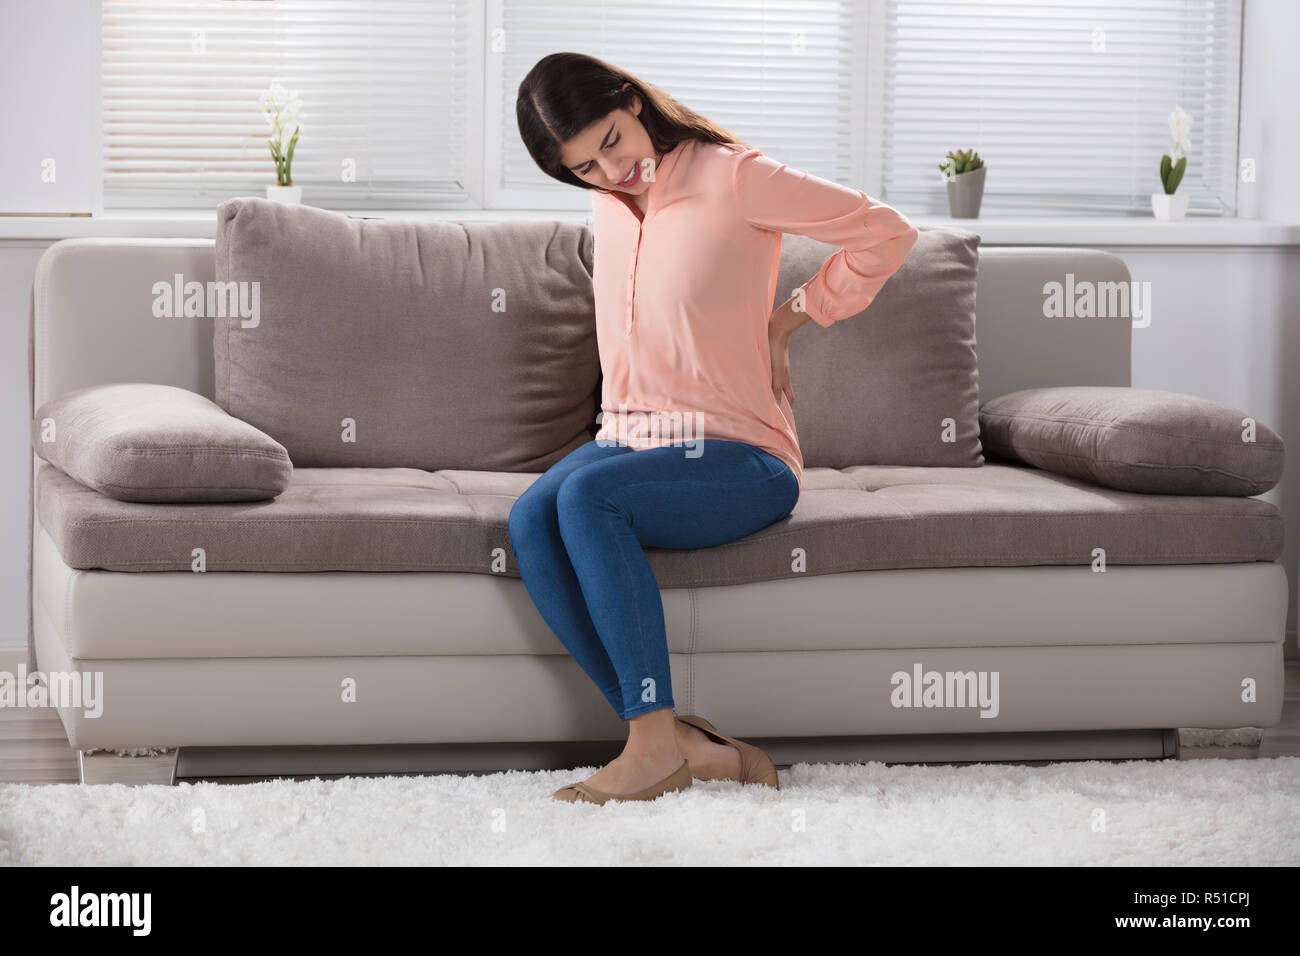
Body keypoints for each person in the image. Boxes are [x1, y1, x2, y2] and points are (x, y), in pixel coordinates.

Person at [510, 52, 919, 805]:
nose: (612, 171)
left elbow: (885, 232)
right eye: (585, 169)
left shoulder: (733, 175)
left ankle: (650, 754)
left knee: (587, 500)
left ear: (630, 102)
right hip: (631, 438)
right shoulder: (605, 203)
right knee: (531, 518)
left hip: (742, 452)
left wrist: (792, 318)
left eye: (611, 140)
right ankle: (681, 745)